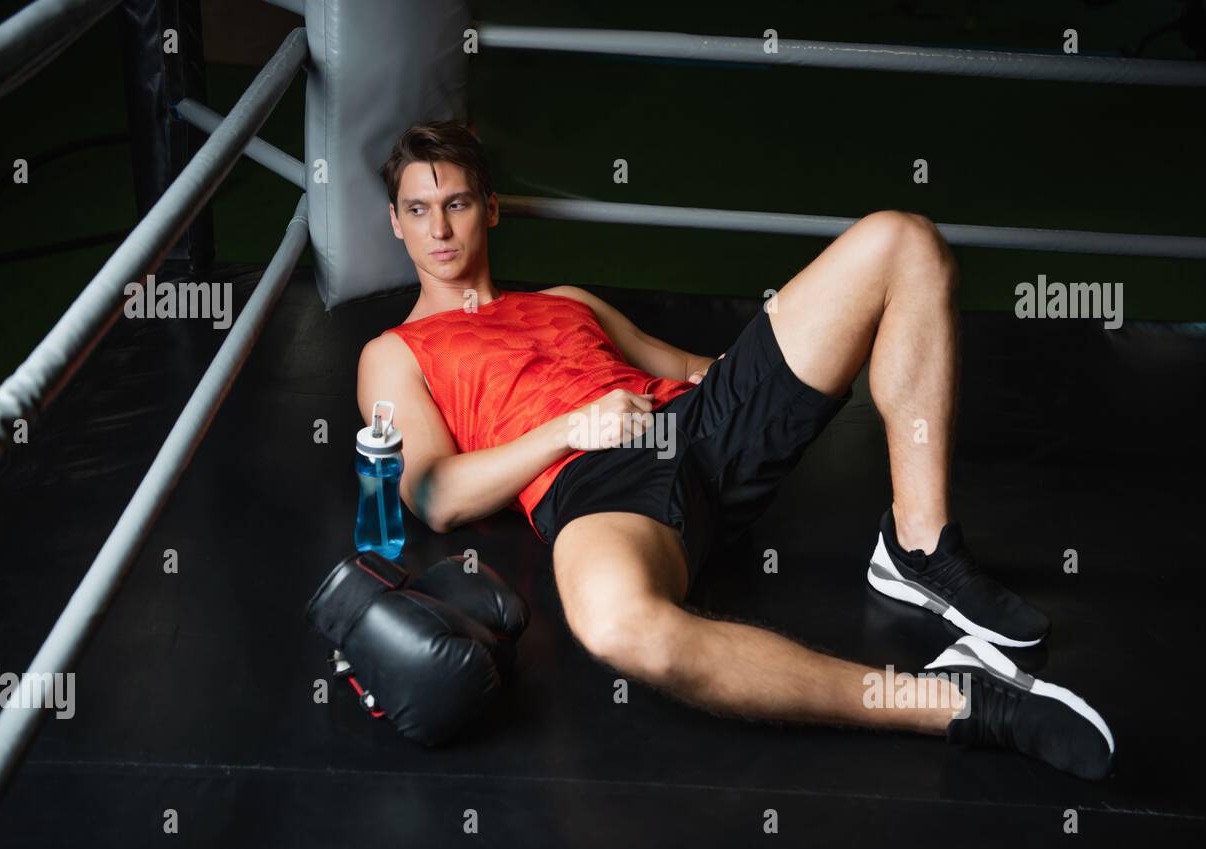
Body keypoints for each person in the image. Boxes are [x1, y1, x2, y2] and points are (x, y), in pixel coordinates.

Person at [356, 120, 1115, 780]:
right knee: (619, 625)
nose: (441, 229)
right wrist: (571, 429)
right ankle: (961, 701)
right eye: (418, 211)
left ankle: (919, 549)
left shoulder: (566, 301)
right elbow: (435, 495)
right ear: (394, 222)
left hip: (700, 425)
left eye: (455, 203)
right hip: (595, 483)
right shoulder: (395, 351)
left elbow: (695, 370)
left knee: (901, 238)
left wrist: (801, 356)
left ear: (488, 207)